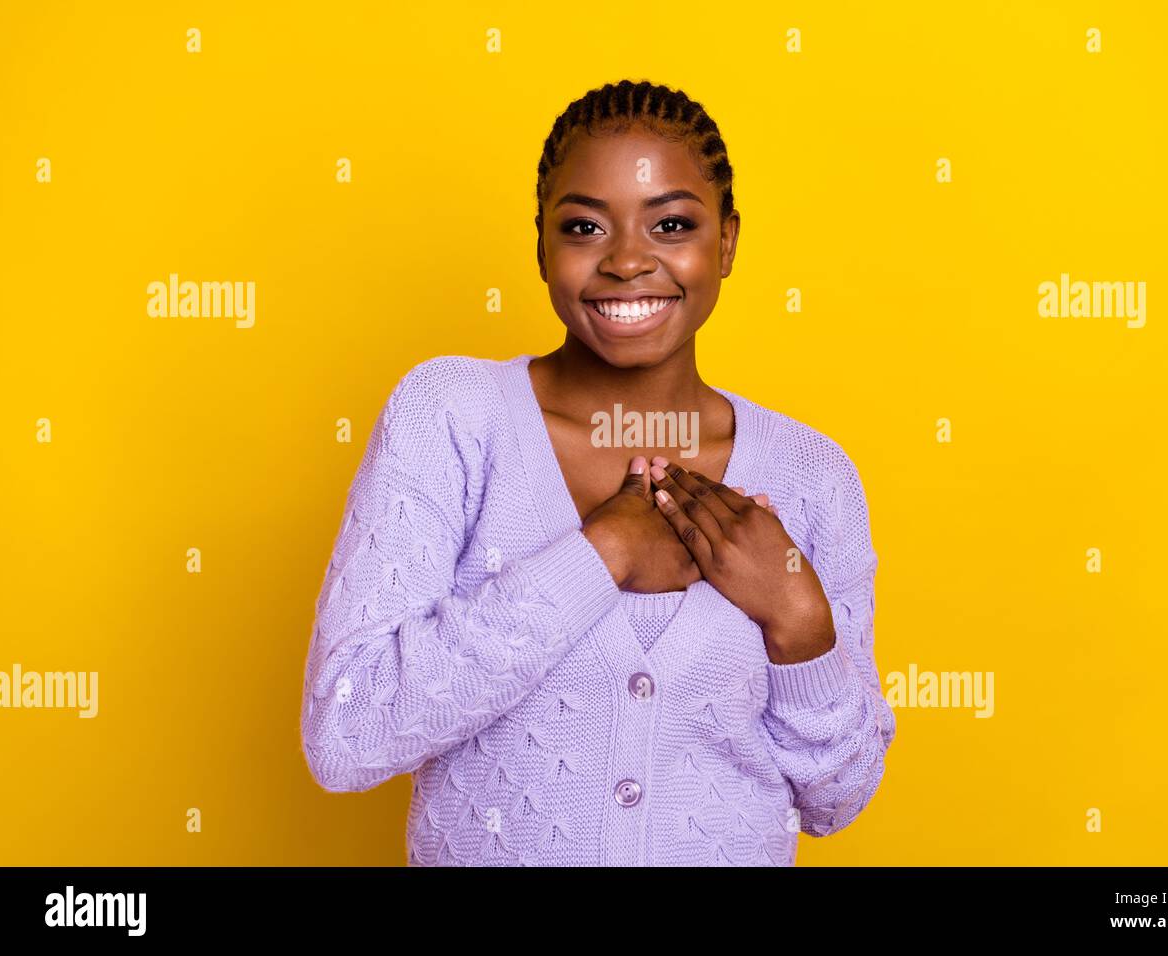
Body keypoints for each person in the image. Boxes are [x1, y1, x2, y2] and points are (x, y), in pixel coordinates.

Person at [299, 79, 896, 866]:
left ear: (726, 242)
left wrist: (798, 622)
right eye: (584, 227)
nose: (625, 261)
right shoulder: (452, 416)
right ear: (541, 244)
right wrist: (598, 556)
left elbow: (837, 799)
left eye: (672, 224)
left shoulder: (812, 475)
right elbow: (347, 733)